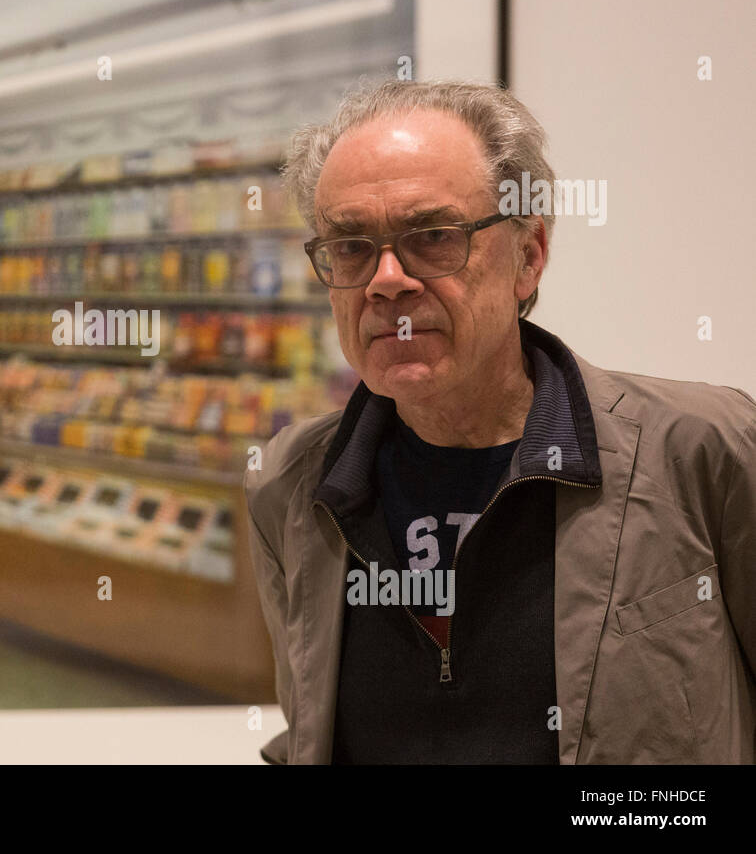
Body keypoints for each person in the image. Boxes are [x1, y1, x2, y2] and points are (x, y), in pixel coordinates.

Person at [247, 79, 756, 764]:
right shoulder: (291, 485)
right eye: (350, 246)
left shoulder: (701, 449)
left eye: (433, 236)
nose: (386, 280)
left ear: (529, 256)